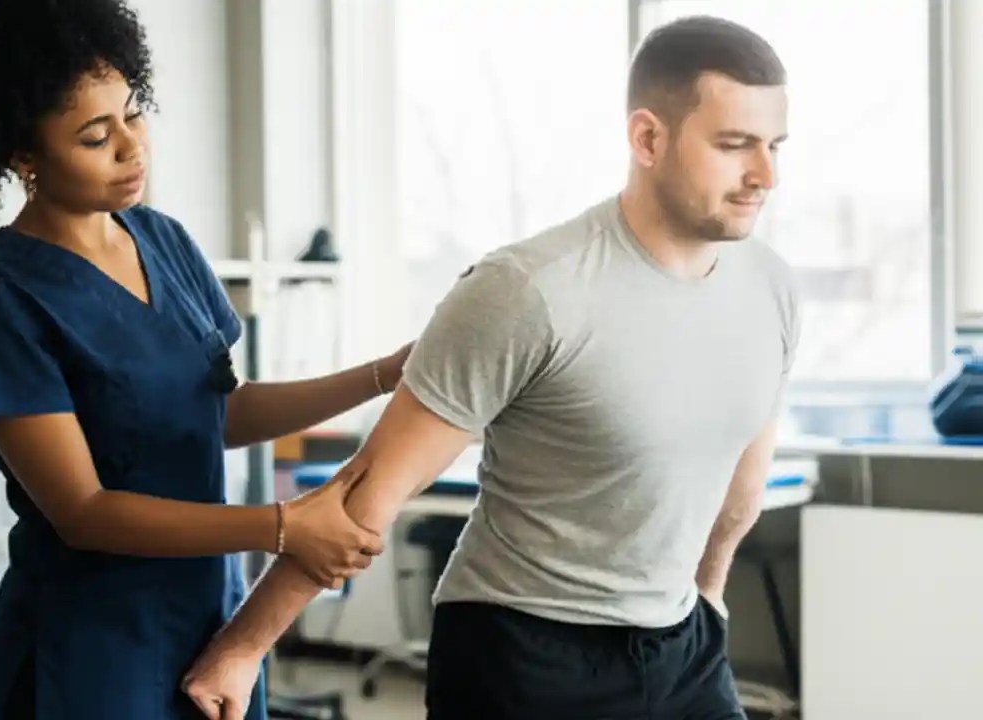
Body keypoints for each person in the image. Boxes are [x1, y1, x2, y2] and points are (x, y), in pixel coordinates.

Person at [182, 15, 799, 720]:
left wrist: (710, 601)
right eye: (734, 146)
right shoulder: (529, 290)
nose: (766, 176)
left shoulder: (770, 289)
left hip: (683, 646)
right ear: (647, 138)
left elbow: (741, 484)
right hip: (526, 652)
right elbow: (366, 493)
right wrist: (242, 650)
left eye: (776, 146)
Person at [0, 2, 409, 718]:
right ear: (22, 155)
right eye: (95, 136)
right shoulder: (0, 301)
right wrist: (283, 526)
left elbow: (219, 408)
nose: (132, 148)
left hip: (208, 611)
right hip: (94, 640)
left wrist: (383, 373)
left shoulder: (162, 240)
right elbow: (85, 512)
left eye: (134, 115)